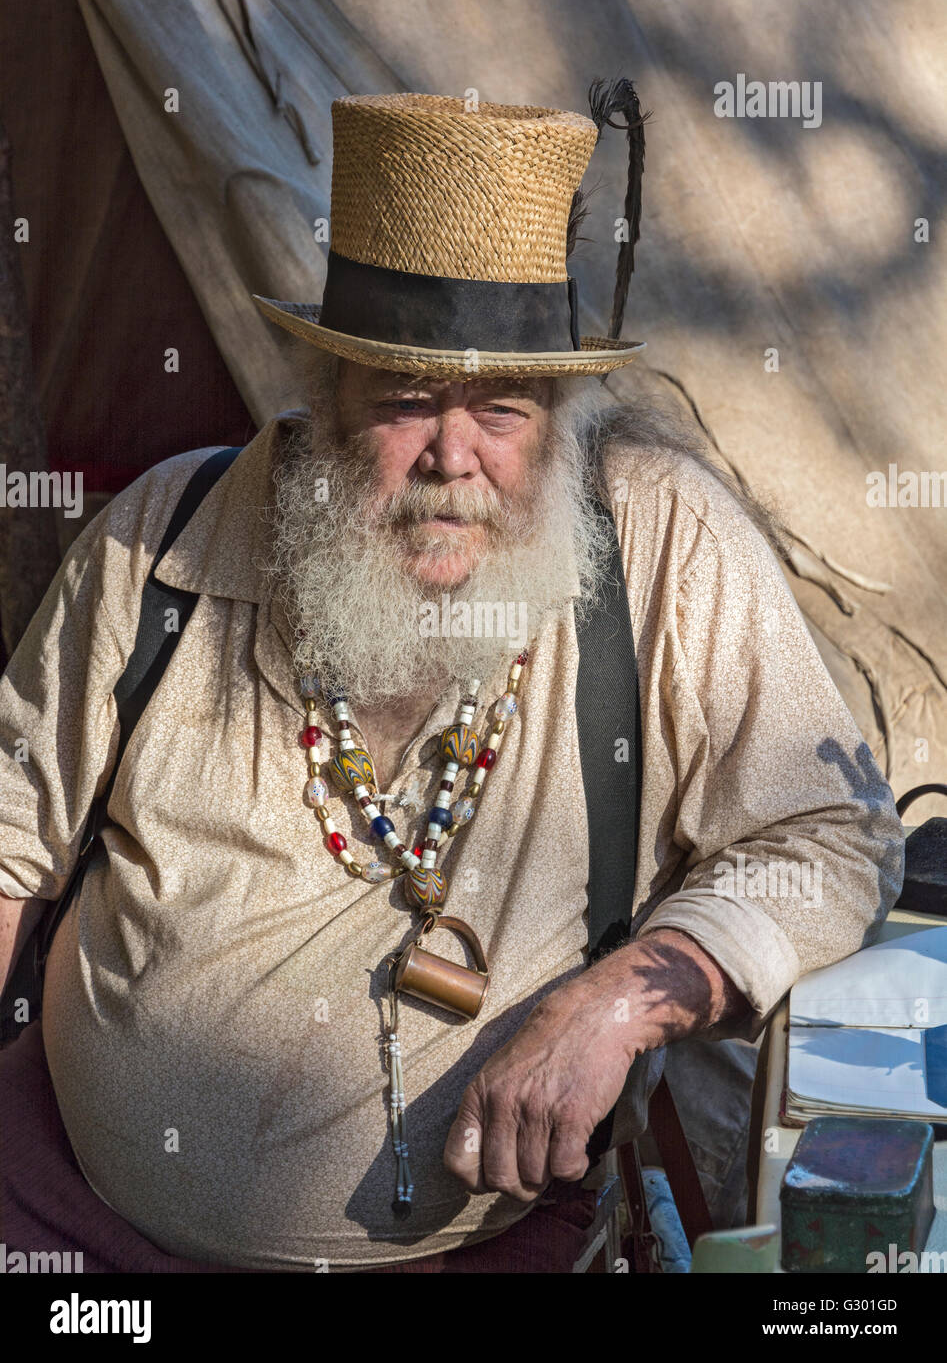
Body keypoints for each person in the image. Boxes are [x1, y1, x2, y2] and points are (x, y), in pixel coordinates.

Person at [0, 91, 903, 1273]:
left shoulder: (659, 543)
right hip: (78, 1230)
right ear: (321, 407)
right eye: (406, 399)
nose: (451, 456)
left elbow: (831, 833)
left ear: (562, 419)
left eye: (499, 408)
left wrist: (618, 1004)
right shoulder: (160, 541)